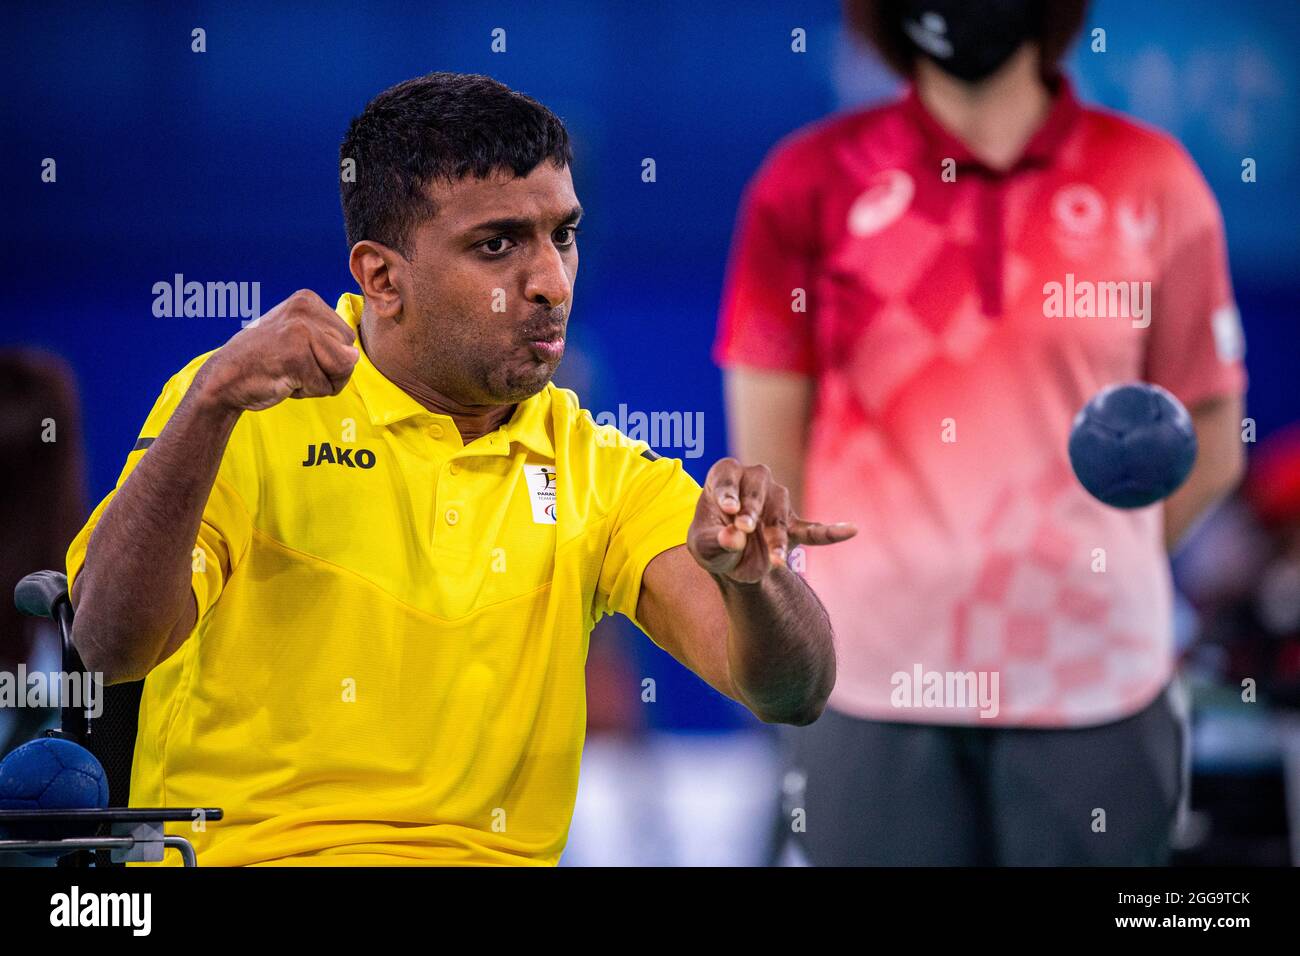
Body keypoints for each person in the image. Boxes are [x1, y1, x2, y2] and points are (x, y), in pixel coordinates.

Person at [66, 72, 856, 866]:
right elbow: (108, 646)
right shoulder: (240, 411)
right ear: (382, 278)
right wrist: (206, 407)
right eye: (497, 245)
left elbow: (793, 693)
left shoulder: (606, 469)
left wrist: (758, 583)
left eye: (564, 235)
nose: (550, 282)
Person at [716, 0, 1247, 865]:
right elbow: (771, 470)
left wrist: (1093, 564)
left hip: (1098, 686)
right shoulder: (809, 181)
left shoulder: (1151, 176)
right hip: (870, 687)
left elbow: (1214, 436)